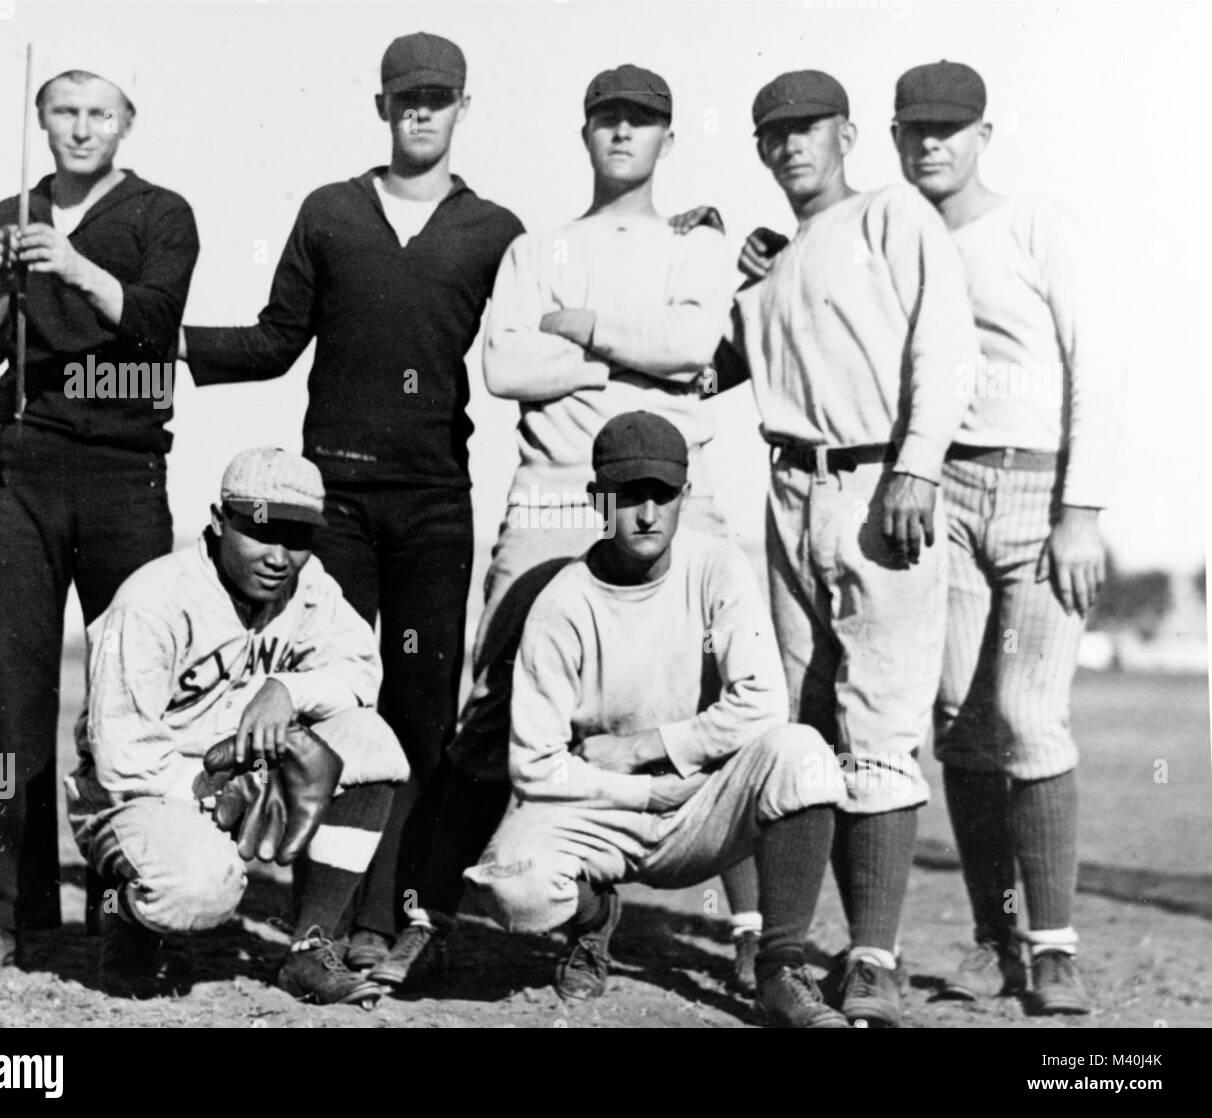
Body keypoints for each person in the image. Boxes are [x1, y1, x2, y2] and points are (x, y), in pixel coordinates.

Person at [371, 64, 763, 997]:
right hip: (550, 494)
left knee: (703, 704)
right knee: (497, 710)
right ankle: (437, 916)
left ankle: (756, 934)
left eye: (643, 122)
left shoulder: (696, 247)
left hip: (674, 493)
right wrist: (622, 365)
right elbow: (506, 367)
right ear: (583, 134)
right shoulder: (535, 247)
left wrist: (582, 334)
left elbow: (690, 348)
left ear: (669, 137)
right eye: (608, 121)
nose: (623, 135)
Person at [178, 32, 524, 971]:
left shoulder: (496, 230)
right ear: (381, 106)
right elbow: (274, 338)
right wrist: (155, 338)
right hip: (332, 505)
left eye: (438, 98)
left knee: (419, 713)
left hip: (433, 508)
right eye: (406, 96)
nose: (421, 112)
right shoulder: (330, 211)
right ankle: (318, 923)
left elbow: (544, 326)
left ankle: (393, 916)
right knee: (327, 705)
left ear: (463, 108)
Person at [718, 71, 981, 1026]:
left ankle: (873, 957)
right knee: (794, 720)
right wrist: (706, 264)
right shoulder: (773, 262)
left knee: (880, 719)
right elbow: (709, 370)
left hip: (878, 484)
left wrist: (917, 467)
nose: (792, 146)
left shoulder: (891, 214)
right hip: (788, 483)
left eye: (809, 129)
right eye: (774, 133)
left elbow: (945, 350)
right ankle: (780, 946)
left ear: (847, 134)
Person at [461, 411, 848, 1027]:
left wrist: (646, 746)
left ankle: (780, 967)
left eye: (662, 496)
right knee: (514, 887)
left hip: (700, 805)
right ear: (597, 500)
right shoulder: (562, 602)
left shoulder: (717, 565)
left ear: (684, 497)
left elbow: (763, 703)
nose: (646, 514)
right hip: (600, 813)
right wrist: (640, 787)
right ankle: (593, 920)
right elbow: (535, 767)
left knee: (802, 752)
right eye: (627, 496)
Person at [0, 65, 199, 968]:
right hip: (22, 470)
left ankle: (125, 903)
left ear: (127, 123)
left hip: (124, 473)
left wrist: (76, 267)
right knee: (13, 696)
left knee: (127, 700)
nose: (81, 129)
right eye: (65, 113)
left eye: (99, 114)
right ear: (42, 121)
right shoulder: (7, 212)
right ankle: (8, 912)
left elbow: (157, 329)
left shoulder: (162, 214)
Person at [891, 61, 1118, 1014]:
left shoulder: (1034, 223)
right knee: (959, 725)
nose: (932, 145)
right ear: (895, 139)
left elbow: (1092, 363)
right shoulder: (894, 236)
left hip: (1038, 493)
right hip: (947, 495)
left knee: (1027, 717)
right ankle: (997, 941)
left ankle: (1055, 946)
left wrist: (1084, 509)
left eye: (951, 129)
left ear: (985, 134)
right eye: (915, 130)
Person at [65, 447, 410, 1003]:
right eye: (261, 531)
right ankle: (129, 919)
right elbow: (121, 757)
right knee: (201, 891)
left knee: (373, 742)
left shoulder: (309, 586)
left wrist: (287, 689)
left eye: (298, 537)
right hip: (138, 794)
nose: (280, 555)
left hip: (238, 778)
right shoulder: (154, 600)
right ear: (219, 519)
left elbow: (361, 669)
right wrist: (224, 791)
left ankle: (309, 949)